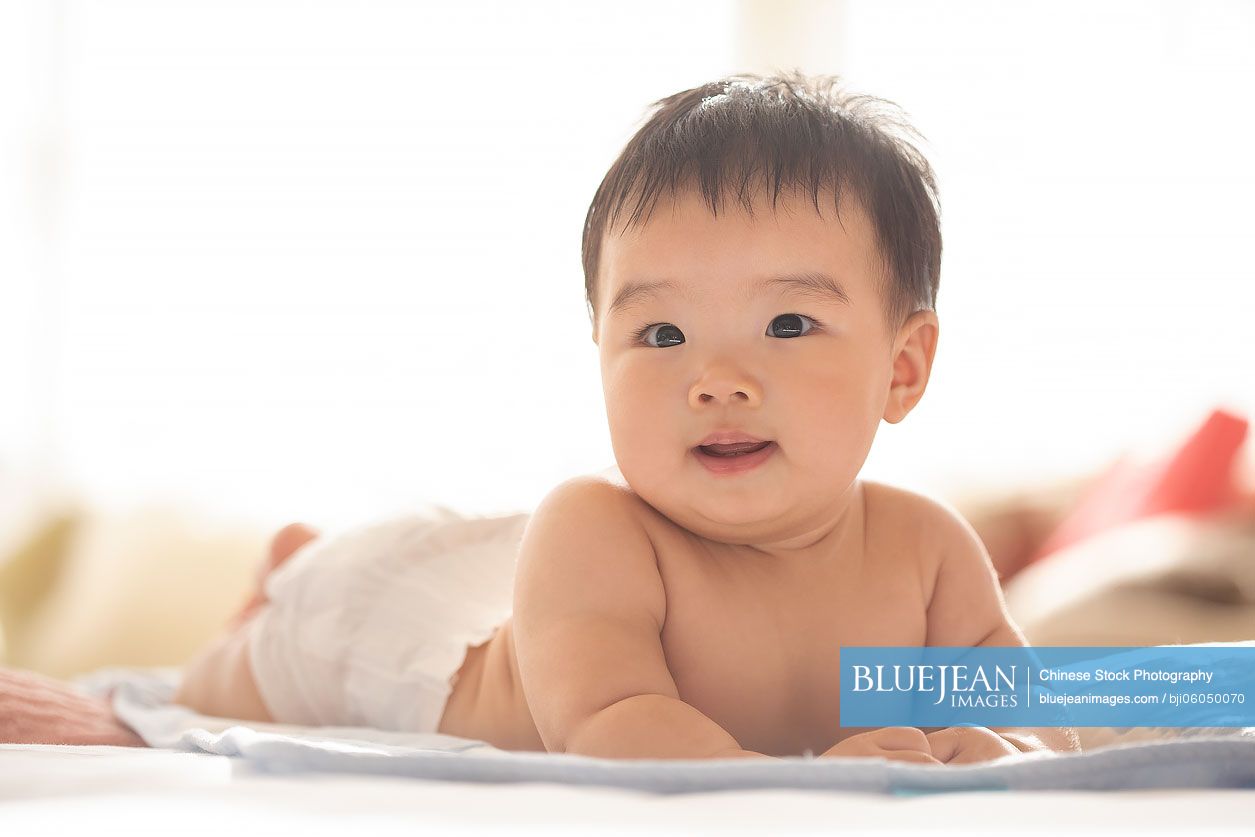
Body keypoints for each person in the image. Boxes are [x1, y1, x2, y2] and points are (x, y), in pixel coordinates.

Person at [171, 71, 1082, 764]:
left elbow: (1032, 724)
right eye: (661, 331)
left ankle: (299, 555)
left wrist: (998, 748)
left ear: (903, 367)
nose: (717, 380)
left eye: (788, 323)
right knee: (241, 675)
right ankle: (281, 579)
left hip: (517, 588)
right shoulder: (598, 529)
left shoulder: (925, 552)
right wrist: (803, 784)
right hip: (400, 644)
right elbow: (617, 729)